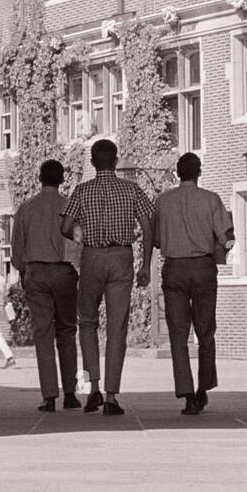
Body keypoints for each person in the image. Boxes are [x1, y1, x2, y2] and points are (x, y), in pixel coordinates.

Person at [59, 136, 154, 416]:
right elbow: (148, 226)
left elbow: (65, 225)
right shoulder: (131, 189)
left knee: (87, 322)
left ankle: (93, 388)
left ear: (92, 162)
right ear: (115, 161)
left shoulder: (81, 190)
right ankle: (112, 396)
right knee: (117, 327)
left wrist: (81, 235)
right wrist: (145, 264)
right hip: (121, 257)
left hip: (91, 257)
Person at [154, 152, 233, 415]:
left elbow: (155, 239)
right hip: (202, 268)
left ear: (178, 173)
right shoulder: (211, 200)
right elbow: (228, 238)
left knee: (178, 335)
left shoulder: (163, 201)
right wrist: (223, 250)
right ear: (199, 172)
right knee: (206, 331)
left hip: (174, 268)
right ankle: (204, 388)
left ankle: (187, 393)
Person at [11, 158, 80, 412]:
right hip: (63, 272)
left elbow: (17, 249)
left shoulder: (26, 208)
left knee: (43, 334)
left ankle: (49, 395)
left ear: (40, 179)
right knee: (67, 332)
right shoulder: (69, 206)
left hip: (36, 272)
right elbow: (77, 245)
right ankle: (71, 392)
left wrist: (23, 269)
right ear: (62, 179)